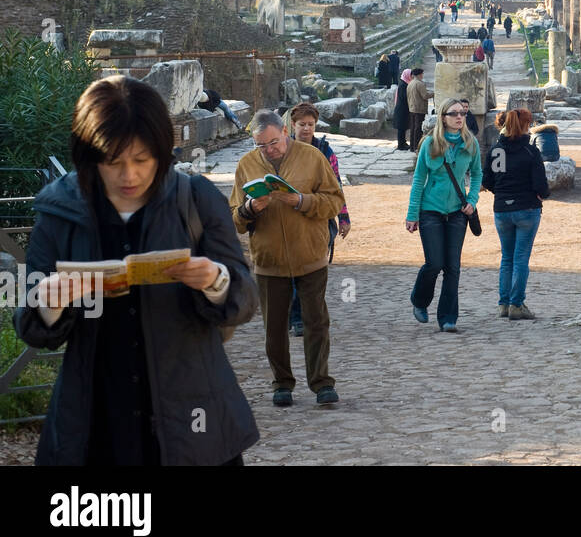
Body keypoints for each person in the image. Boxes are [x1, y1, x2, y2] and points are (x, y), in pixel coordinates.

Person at [16, 76, 258, 464]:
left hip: (193, 422)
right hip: (96, 422)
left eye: (142, 160)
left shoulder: (195, 200)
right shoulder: (58, 212)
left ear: (162, 151)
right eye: (113, 162)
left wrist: (216, 281)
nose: (129, 176)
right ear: (90, 156)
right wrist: (49, 301)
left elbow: (245, 300)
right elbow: (29, 326)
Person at [231, 109, 345, 407]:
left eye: (273, 143)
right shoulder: (246, 165)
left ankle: (321, 383)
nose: (269, 150)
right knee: (274, 327)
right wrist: (249, 209)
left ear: (284, 131)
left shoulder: (312, 157)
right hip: (269, 259)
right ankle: (282, 383)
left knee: (316, 321)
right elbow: (233, 218)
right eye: (261, 146)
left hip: (310, 254)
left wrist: (302, 201)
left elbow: (334, 201)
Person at [405, 98, 482, 331]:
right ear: (443, 117)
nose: (459, 117)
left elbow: (477, 175)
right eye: (454, 113)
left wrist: (472, 200)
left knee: (453, 267)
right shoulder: (430, 144)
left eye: (462, 113)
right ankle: (419, 300)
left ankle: (448, 318)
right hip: (430, 210)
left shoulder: (471, 143)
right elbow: (419, 180)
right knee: (434, 263)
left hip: (457, 212)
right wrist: (412, 214)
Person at [286, 103, 352, 337]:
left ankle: (303, 314)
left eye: (310, 125)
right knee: (293, 270)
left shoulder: (325, 150)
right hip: (288, 219)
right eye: (301, 124)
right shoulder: (283, 150)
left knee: (311, 271)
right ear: (292, 125)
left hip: (318, 220)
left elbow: (336, 184)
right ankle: (295, 317)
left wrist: (343, 217)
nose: (306, 129)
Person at [482, 107, 549, 321]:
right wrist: (541, 195)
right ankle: (517, 304)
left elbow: (488, 181)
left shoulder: (495, 150)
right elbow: (541, 185)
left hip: (502, 208)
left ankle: (503, 303)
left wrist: (502, 192)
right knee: (521, 259)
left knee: (506, 258)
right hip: (526, 208)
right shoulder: (530, 151)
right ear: (525, 126)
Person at [407, 67, 431, 153]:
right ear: (420, 74)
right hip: (419, 108)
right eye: (422, 74)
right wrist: (434, 94)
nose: (423, 75)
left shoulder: (410, 83)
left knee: (413, 128)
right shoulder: (420, 84)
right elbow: (425, 96)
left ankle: (412, 147)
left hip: (412, 108)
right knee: (418, 128)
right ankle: (417, 146)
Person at [393, 67, 412, 151]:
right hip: (401, 110)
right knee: (401, 128)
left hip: (403, 109)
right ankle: (401, 145)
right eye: (410, 75)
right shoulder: (403, 85)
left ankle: (403, 142)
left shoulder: (405, 83)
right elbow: (404, 97)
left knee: (403, 128)